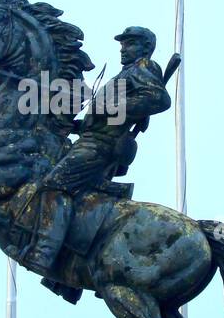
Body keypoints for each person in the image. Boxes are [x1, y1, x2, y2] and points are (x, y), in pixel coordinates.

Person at [23, 26, 171, 274]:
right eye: (122, 44)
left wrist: (115, 107)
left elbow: (159, 99)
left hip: (99, 148)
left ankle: (44, 252)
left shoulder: (143, 67)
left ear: (144, 47)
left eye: (129, 44)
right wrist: (79, 125)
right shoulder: (126, 73)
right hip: (92, 139)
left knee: (54, 184)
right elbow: (106, 118)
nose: (123, 49)